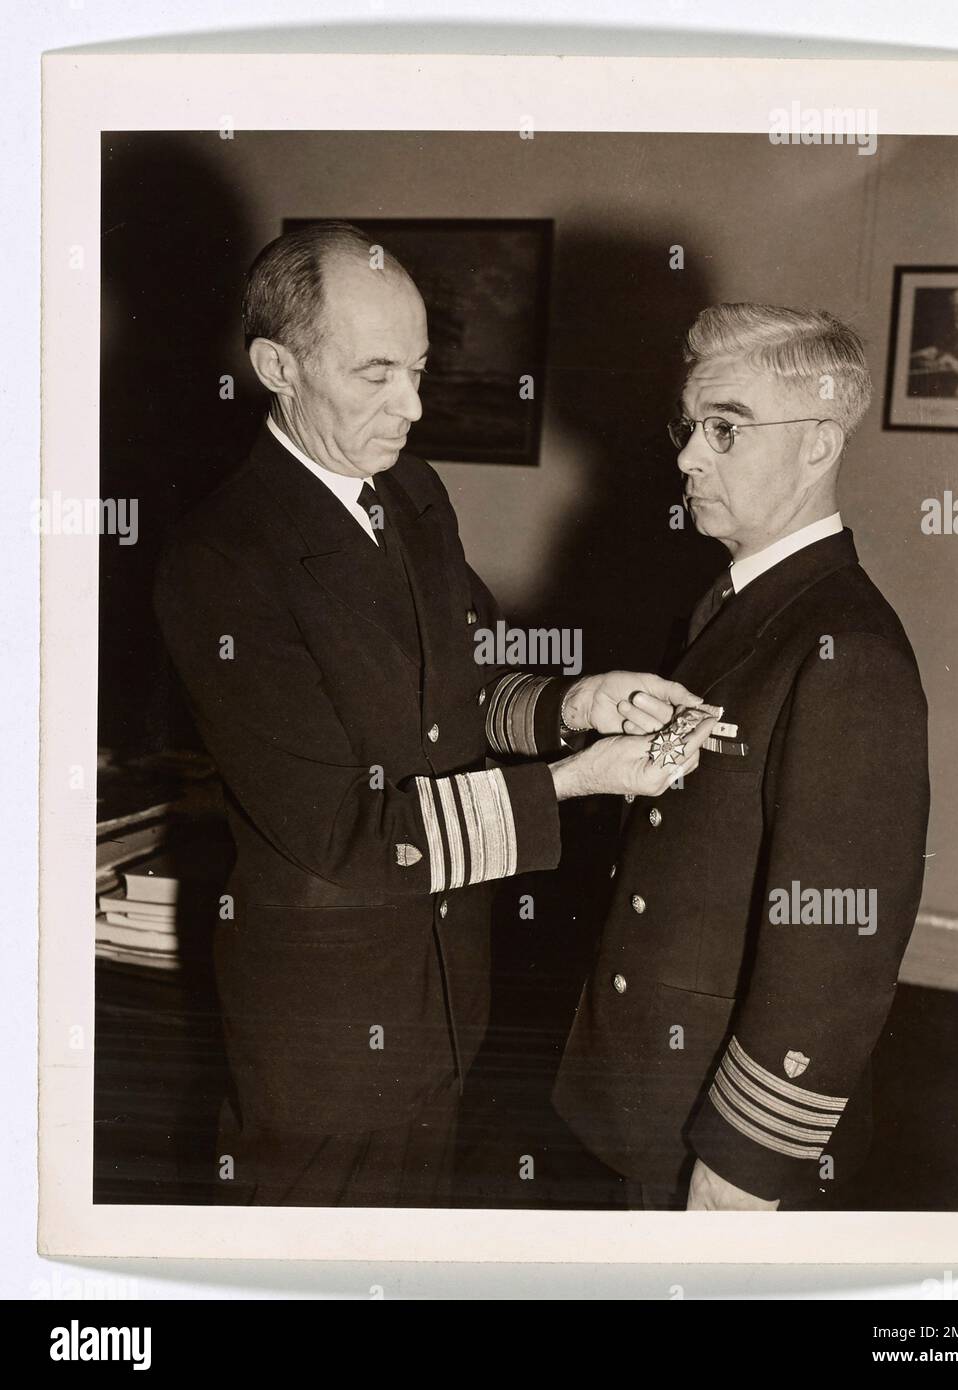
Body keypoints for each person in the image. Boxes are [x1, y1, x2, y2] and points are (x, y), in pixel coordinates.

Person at [153, 221, 714, 1207]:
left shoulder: (408, 491)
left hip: (447, 983)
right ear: (277, 366)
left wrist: (572, 703)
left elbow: (467, 688)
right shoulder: (223, 565)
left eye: (417, 369)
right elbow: (345, 832)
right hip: (321, 1024)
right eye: (375, 374)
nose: (411, 407)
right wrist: (574, 780)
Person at [553, 303, 930, 1211]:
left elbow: (836, 943)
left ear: (817, 446)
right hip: (650, 1092)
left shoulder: (848, 650)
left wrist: (743, 1168)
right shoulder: (735, 603)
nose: (687, 457)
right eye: (689, 428)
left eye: (725, 429)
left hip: (722, 1138)